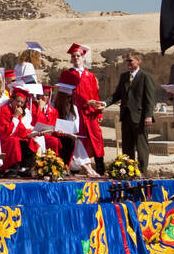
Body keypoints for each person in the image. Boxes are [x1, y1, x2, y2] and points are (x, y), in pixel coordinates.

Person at [108, 52, 157, 174]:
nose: (128, 63)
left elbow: (150, 98)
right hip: (126, 116)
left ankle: (142, 171)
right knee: (127, 145)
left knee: (141, 146)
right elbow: (117, 94)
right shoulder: (124, 77)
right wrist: (104, 103)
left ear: (138, 61)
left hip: (139, 117)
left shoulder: (145, 77)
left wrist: (149, 115)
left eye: (130, 61)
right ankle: (129, 170)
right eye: (127, 61)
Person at [66, 43, 106, 176]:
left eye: (78, 56)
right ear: (71, 59)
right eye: (73, 56)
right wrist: (84, 102)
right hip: (76, 112)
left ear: (83, 58)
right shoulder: (67, 75)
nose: (76, 58)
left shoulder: (90, 76)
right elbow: (67, 95)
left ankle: (101, 169)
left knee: (97, 140)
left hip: (91, 113)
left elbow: (95, 94)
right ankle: (75, 169)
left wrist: (99, 112)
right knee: (78, 139)